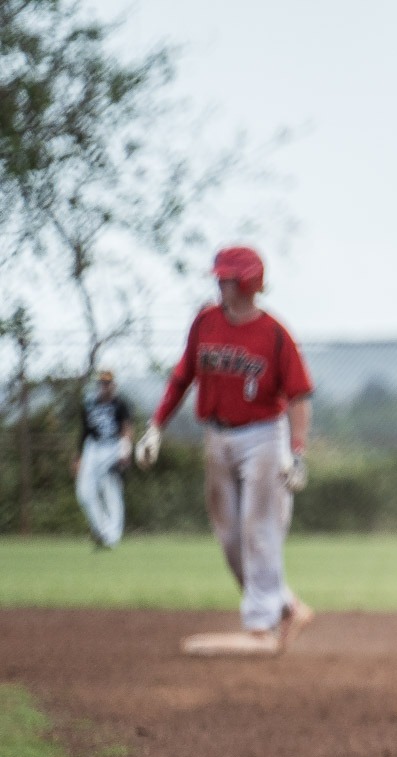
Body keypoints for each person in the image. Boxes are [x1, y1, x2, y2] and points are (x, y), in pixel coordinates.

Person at [134, 246, 315, 655]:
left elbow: (300, 396)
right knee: (230, 536)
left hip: (264, 436)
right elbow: (183, 376)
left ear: (247, 283)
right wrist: (155, 428)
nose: (220, 284)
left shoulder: (274, 333)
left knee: (259, 528)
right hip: (217, 436)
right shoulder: (206, 322)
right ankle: (286, 606)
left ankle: (260, 628)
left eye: (227, 278)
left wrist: (297, 452)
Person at [72, 369, 135, 549]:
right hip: (93, 448)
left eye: (107, 383)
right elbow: (84, 431)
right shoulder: (90, 404)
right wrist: (78, 457)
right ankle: (101, 530)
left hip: (113, 447)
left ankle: (112, 536)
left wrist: (124, 453)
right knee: (84, 492)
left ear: (113, 385)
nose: (104, 387)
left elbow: (127, 428)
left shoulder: (120, 404)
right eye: (102, 383)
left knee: (111, 491)